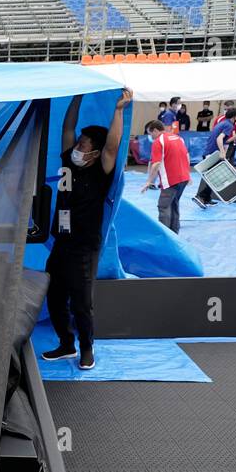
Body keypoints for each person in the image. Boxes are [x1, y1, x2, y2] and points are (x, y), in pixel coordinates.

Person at [43, 87, 132, 371]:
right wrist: (76, 96)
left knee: (81, 302)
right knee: (55, 296)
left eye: (83, 145)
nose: (78, 147)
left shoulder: (100, 170)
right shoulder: (69, 159)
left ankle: (86, 349)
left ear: (95, 152)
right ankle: (66, 344)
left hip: (84, 245)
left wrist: (118, 111)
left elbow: (113, 145)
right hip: (62, 242)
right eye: (79, 143)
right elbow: (67, 126)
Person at [141, 119, 190, 234]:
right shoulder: (177, 138)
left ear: (156, 130)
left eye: (150, 133)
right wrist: (188, 174)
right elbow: (187, 156)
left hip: (171, 180)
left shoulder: (158, 142)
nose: (150, 137)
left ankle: (165, 235)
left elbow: (156, 164)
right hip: (183, 178)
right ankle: (174, 233)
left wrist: (149, 181)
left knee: (163, 206)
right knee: (174, 204)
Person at [193, 106, 236, 208]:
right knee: (215, 178)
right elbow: (220, 139)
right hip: (212, 153)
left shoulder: (222, 123)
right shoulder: (229, 125)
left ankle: (207, 199)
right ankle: (200, 196)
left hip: (209, 151)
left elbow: (223, 140)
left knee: (213, 176)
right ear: (235, 117)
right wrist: (222, 153)